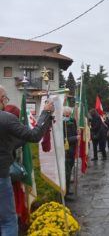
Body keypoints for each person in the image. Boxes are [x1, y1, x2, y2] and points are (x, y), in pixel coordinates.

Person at [0, 85, 54, 236]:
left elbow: (8, 143)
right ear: (1, 99)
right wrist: (46, 112)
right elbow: (35, 135)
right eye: (5, 98)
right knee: (8, 221)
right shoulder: (6, 118)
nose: (6, 102)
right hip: (1, 177)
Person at [62, 106, 79, 199]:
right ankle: (65, 193)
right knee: (66, 173)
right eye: (67, 114)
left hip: (71, 151)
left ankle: (67, 191)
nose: (69, 116)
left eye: (69, 114)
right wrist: (75, 138)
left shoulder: (71, 121)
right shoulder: (61, 123)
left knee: (68, 172)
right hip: (65, 152)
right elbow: (62, 139)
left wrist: (76, 132)